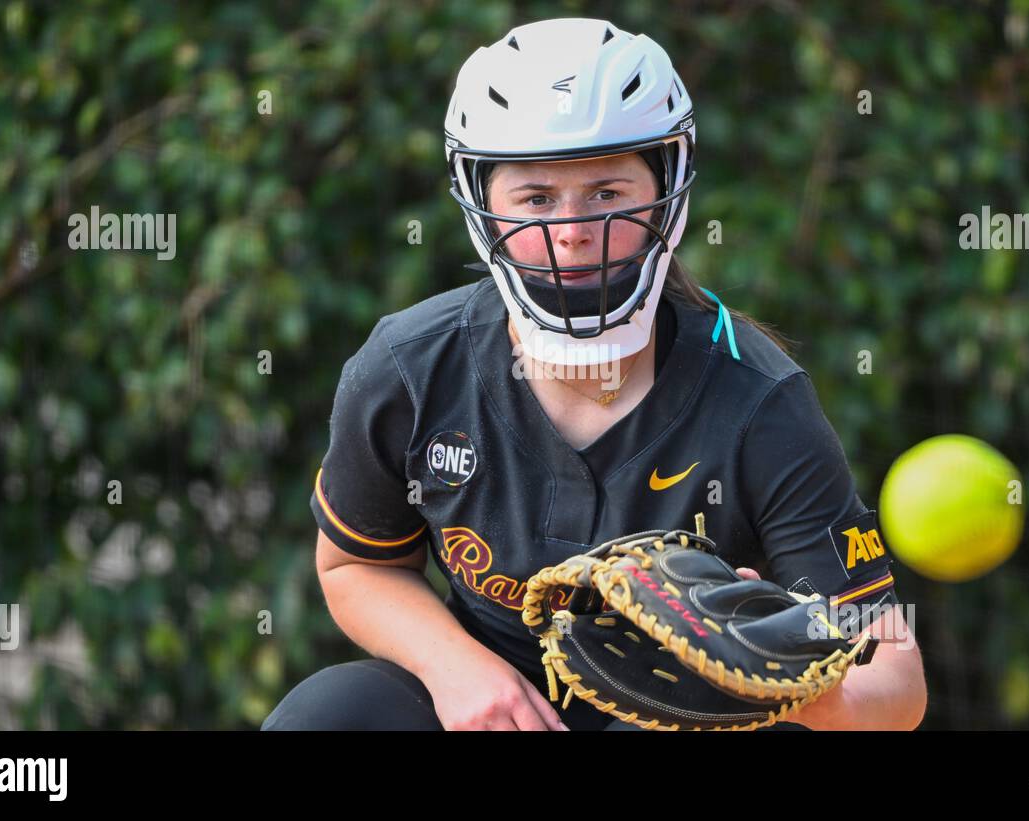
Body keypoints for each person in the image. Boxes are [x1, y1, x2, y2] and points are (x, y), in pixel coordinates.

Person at [263, 17, 926, 731]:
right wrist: (457, 667)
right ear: (484, 205)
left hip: (678, 715)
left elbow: (897, 675)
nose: (573, 230)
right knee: (330, 713)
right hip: (484, 707)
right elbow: (354, 566)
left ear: (666, 189)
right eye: (537, 198)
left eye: (607, 192)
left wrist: (797, 682)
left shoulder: (761, 400)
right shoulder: (412, 366)